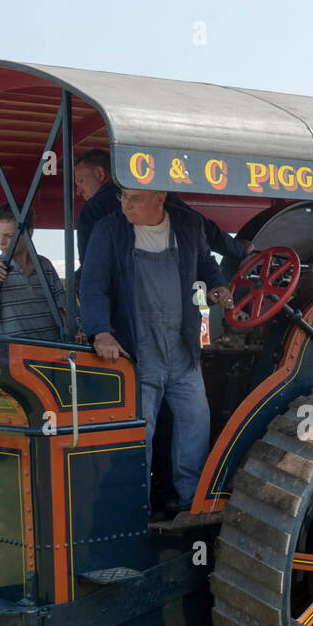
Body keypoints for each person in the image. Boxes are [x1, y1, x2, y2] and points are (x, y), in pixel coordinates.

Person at [80, 187, 235, 513]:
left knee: (196, 422)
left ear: (159, 199)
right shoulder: (108, 230)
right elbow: (93, 285)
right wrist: (101, 332)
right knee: (140, 431)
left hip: (183, 348)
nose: (124, 204)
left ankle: (192, 502)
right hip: (139, 350)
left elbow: (205, 263)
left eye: (134, 199)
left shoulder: (189, 224)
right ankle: (136, 511)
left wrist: (218, 284)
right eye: (122, 197)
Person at [0, 204, 68, 339]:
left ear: (29, 232)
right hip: (12, 355)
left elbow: (63, 314)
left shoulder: (45, 265)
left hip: (48, 353)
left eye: (9, 236)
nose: (1, 242)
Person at [74, 148, 122, 271]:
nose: (78, 191)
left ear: (100, 173)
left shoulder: (93, 209)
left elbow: (90, 265)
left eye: (81, 181)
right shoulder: (143, 201)